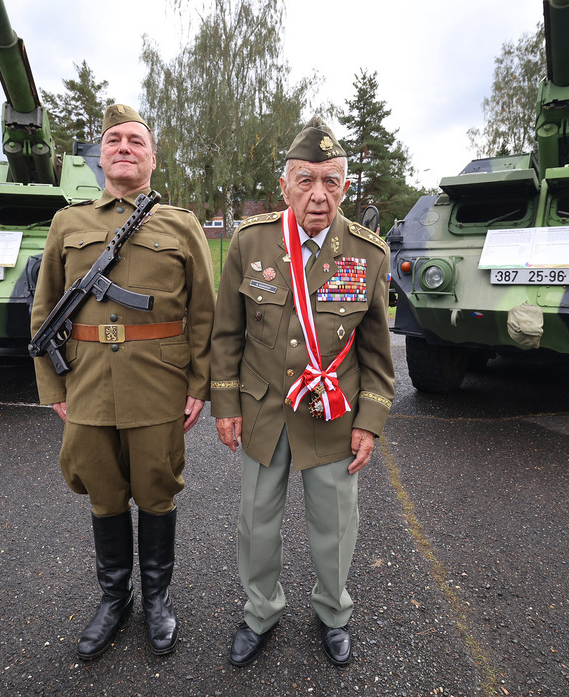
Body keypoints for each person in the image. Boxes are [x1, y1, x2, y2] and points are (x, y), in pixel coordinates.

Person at [31, 104, 215, 659]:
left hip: (158, 382)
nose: (124, 147)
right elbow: (44, 313)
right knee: (103, 491)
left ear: (152, 157)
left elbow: (205, 314)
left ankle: (157, 599)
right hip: (86, 383)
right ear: (101, 156)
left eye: (136, 140)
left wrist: (198, 386)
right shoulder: (69, 222)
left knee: (157, 489)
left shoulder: (180, 224)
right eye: (113, 139)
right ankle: (115, 600)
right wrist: (55, 388)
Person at [210, 117, 395, 666]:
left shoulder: (368, 253)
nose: (319, 195)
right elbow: (226, 332)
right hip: (264, 405)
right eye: (306, 180)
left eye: (331, 181)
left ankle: (333, 613)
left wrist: (370, 420)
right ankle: (260, 611)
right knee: (256, 520)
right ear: (286, 184)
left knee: (335, 523)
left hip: (332, 409)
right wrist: (225, 402)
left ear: (344, 187)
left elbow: (377, 351)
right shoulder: (250, 241)